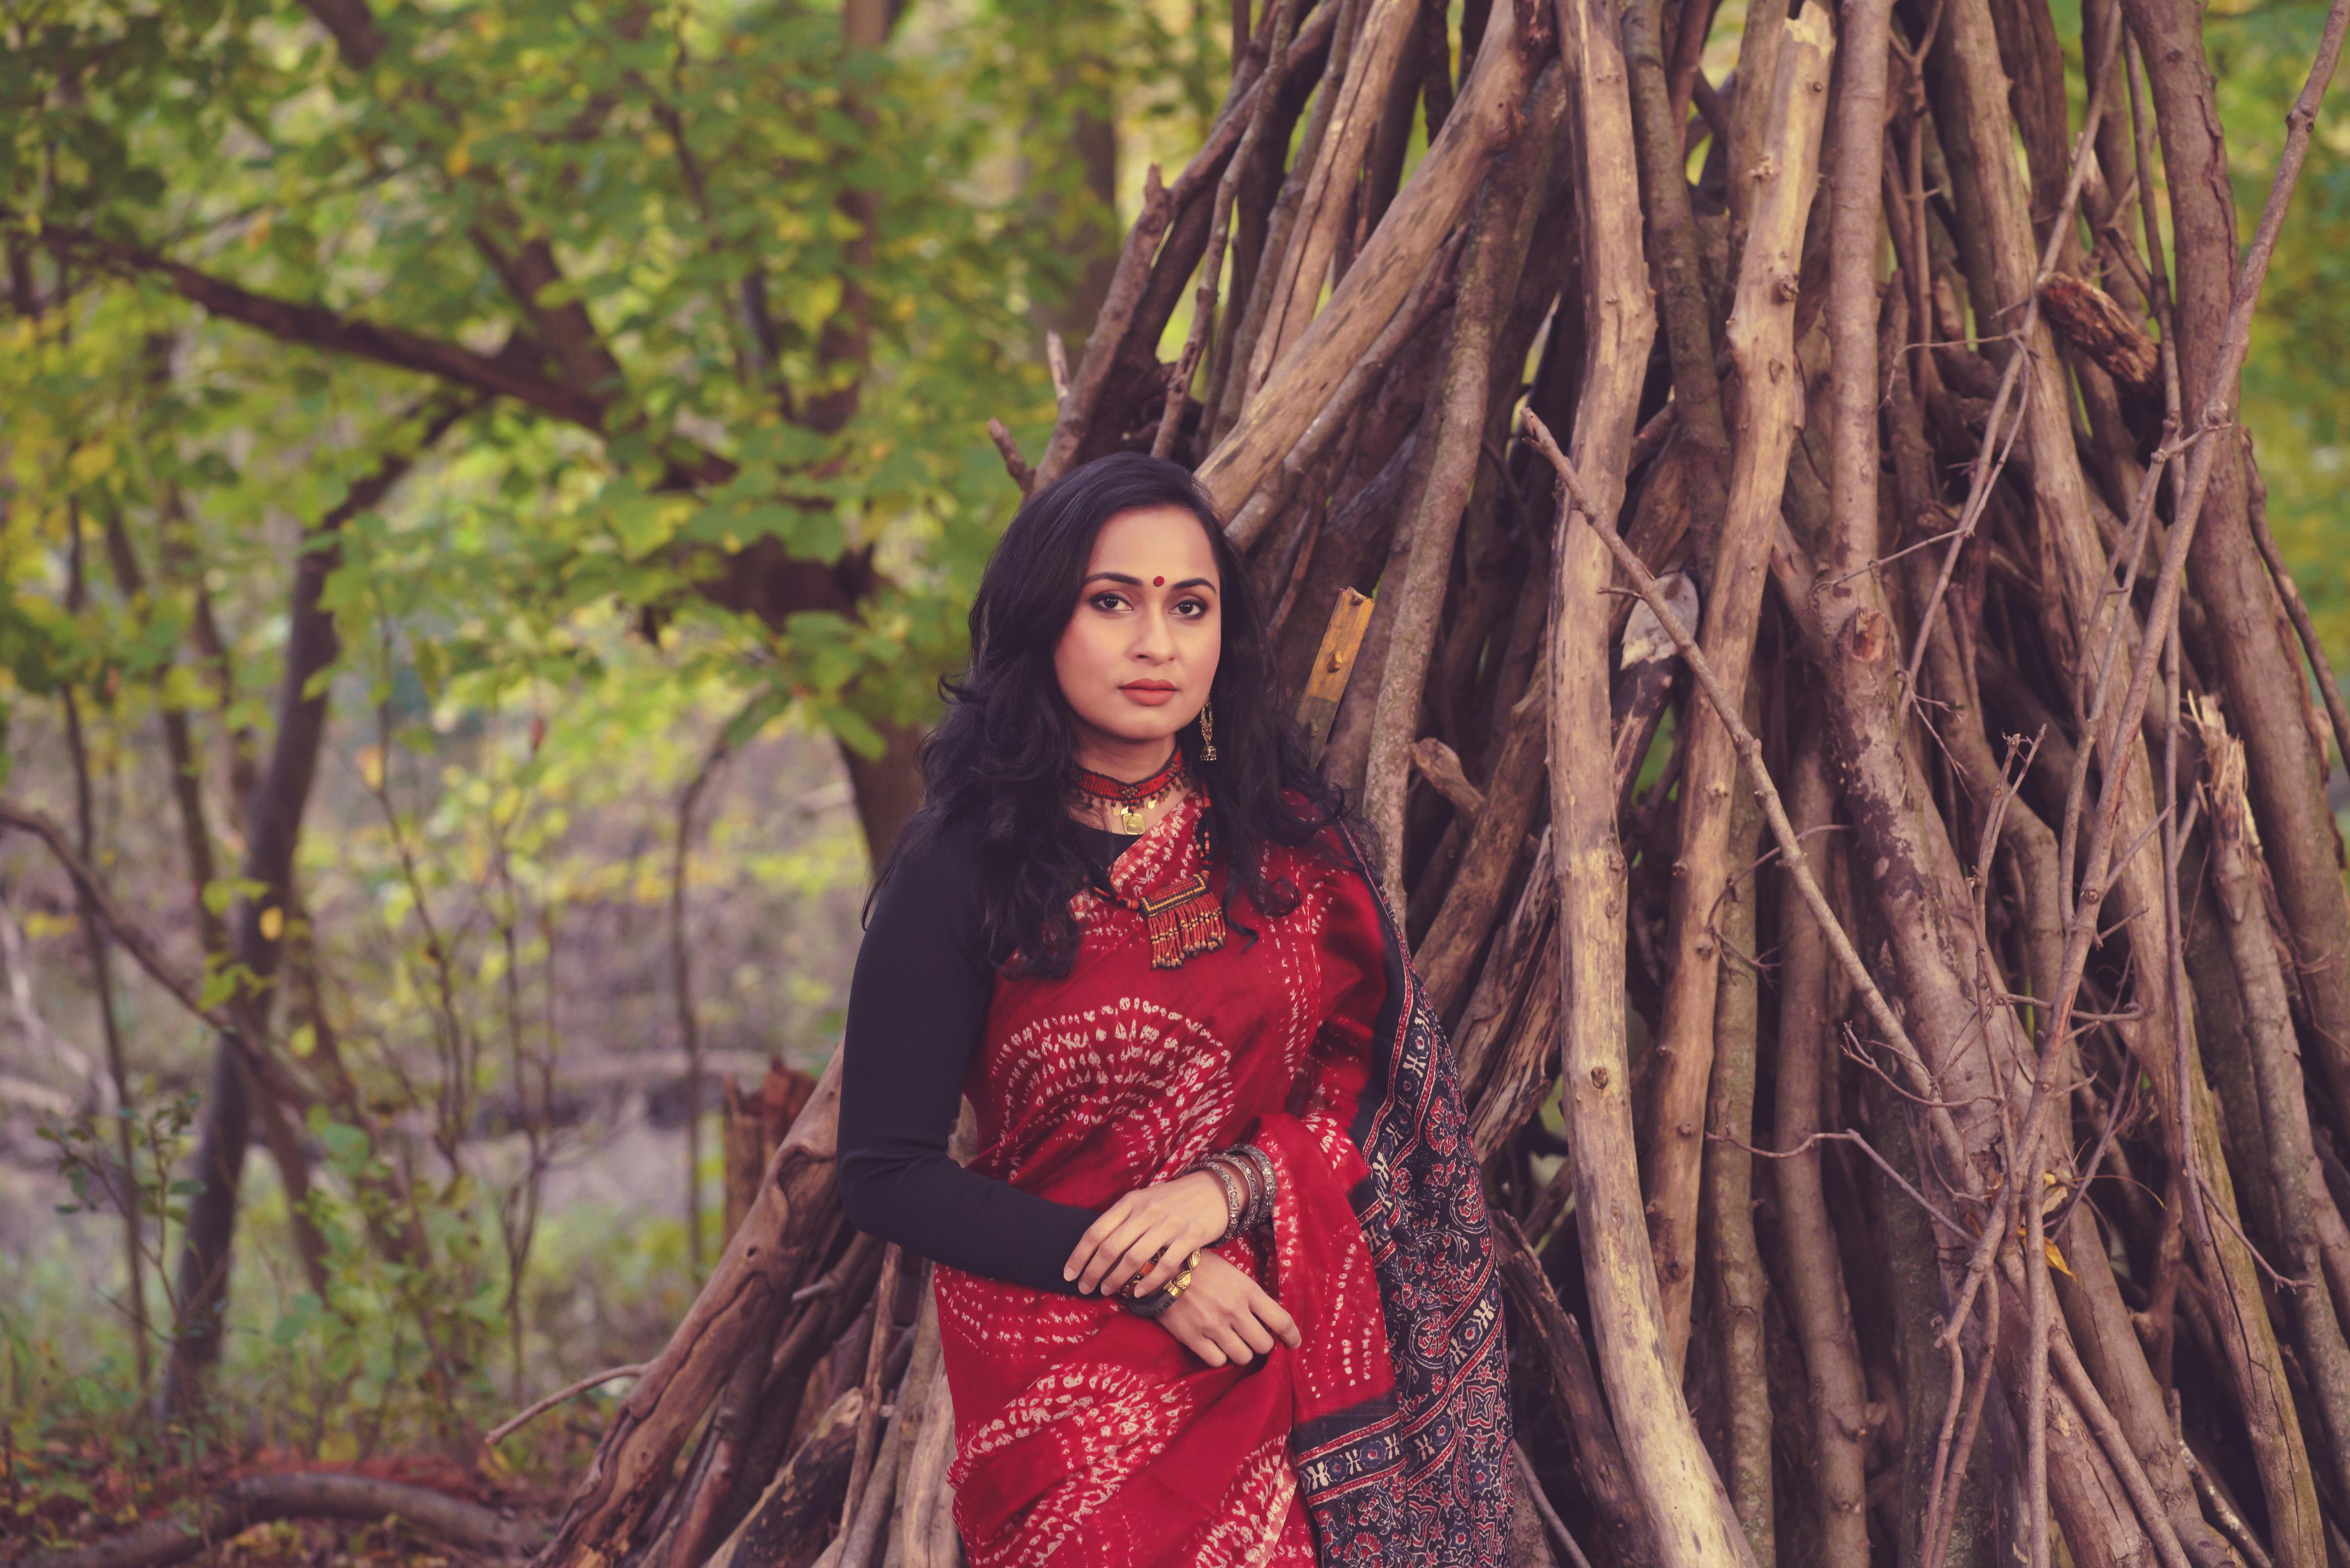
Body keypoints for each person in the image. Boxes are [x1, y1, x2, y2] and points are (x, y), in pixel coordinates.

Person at [837, 452, 1510, 1565]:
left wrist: (1229, 1188)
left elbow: (1383, 1083)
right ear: (1043, 620)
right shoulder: (963, 864)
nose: (1157, 643)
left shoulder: (1287, 844)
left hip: (1283, 1347)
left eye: (1188, 606)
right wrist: (1150, 1272)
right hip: (1065, 1385)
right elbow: (884, 1170)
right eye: (1113, 602)